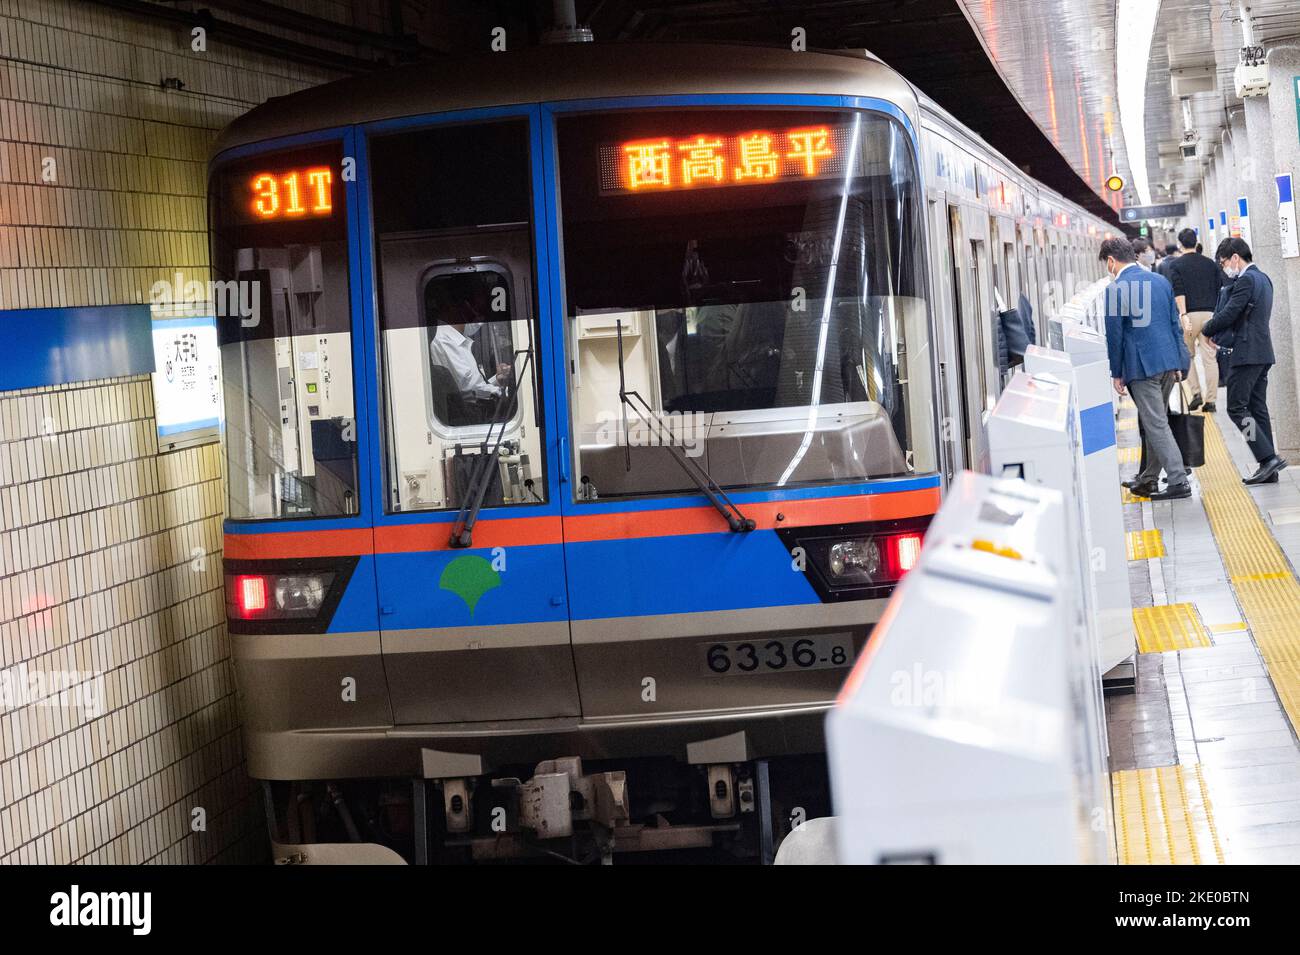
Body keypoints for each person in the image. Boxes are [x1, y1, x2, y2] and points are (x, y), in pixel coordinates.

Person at [1101, 237, 1192, 500]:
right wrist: (1180, 360)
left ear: (1111, 261)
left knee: (1155, 423)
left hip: (1141, 368)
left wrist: (1116, 372)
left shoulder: (1116, 289)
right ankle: (1149, 479)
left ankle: (1177, 479)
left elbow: (1115, 336)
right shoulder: (1160, 282)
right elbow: (1174, 324)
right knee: (1155, 421)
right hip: (1166, 363)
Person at [1202, 237, 1287, 485]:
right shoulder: (1264, 278)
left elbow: (1231, 312)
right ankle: (1269, 468)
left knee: (1236, 408)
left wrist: (1207, 329)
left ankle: (1267, 457)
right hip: (1262, 352)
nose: (1224, 268)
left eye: (1224, 262)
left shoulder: (1246, 280)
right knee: (1257, 406)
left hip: (1246, 352)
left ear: (1236, 258)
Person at [428, 273, 513, 402]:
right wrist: (508, 393)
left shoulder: (458, 339)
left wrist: (497, 379)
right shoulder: (443, 341)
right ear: (464, 305)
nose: (481, 315)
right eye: (478, 307)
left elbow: (474, 388)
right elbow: (471, 396)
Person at [1165, 227, 1223, 412]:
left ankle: (1196, 393)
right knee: (1210, 358)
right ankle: (1211, 401)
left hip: (1189, 315)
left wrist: (1182, 315)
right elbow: (1219, 288)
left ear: (1180, 244)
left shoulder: (1176, 265)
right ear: (1196, 241)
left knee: (1188, 356)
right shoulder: (1211, 264)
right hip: (1210, 316)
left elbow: (1178, 290)